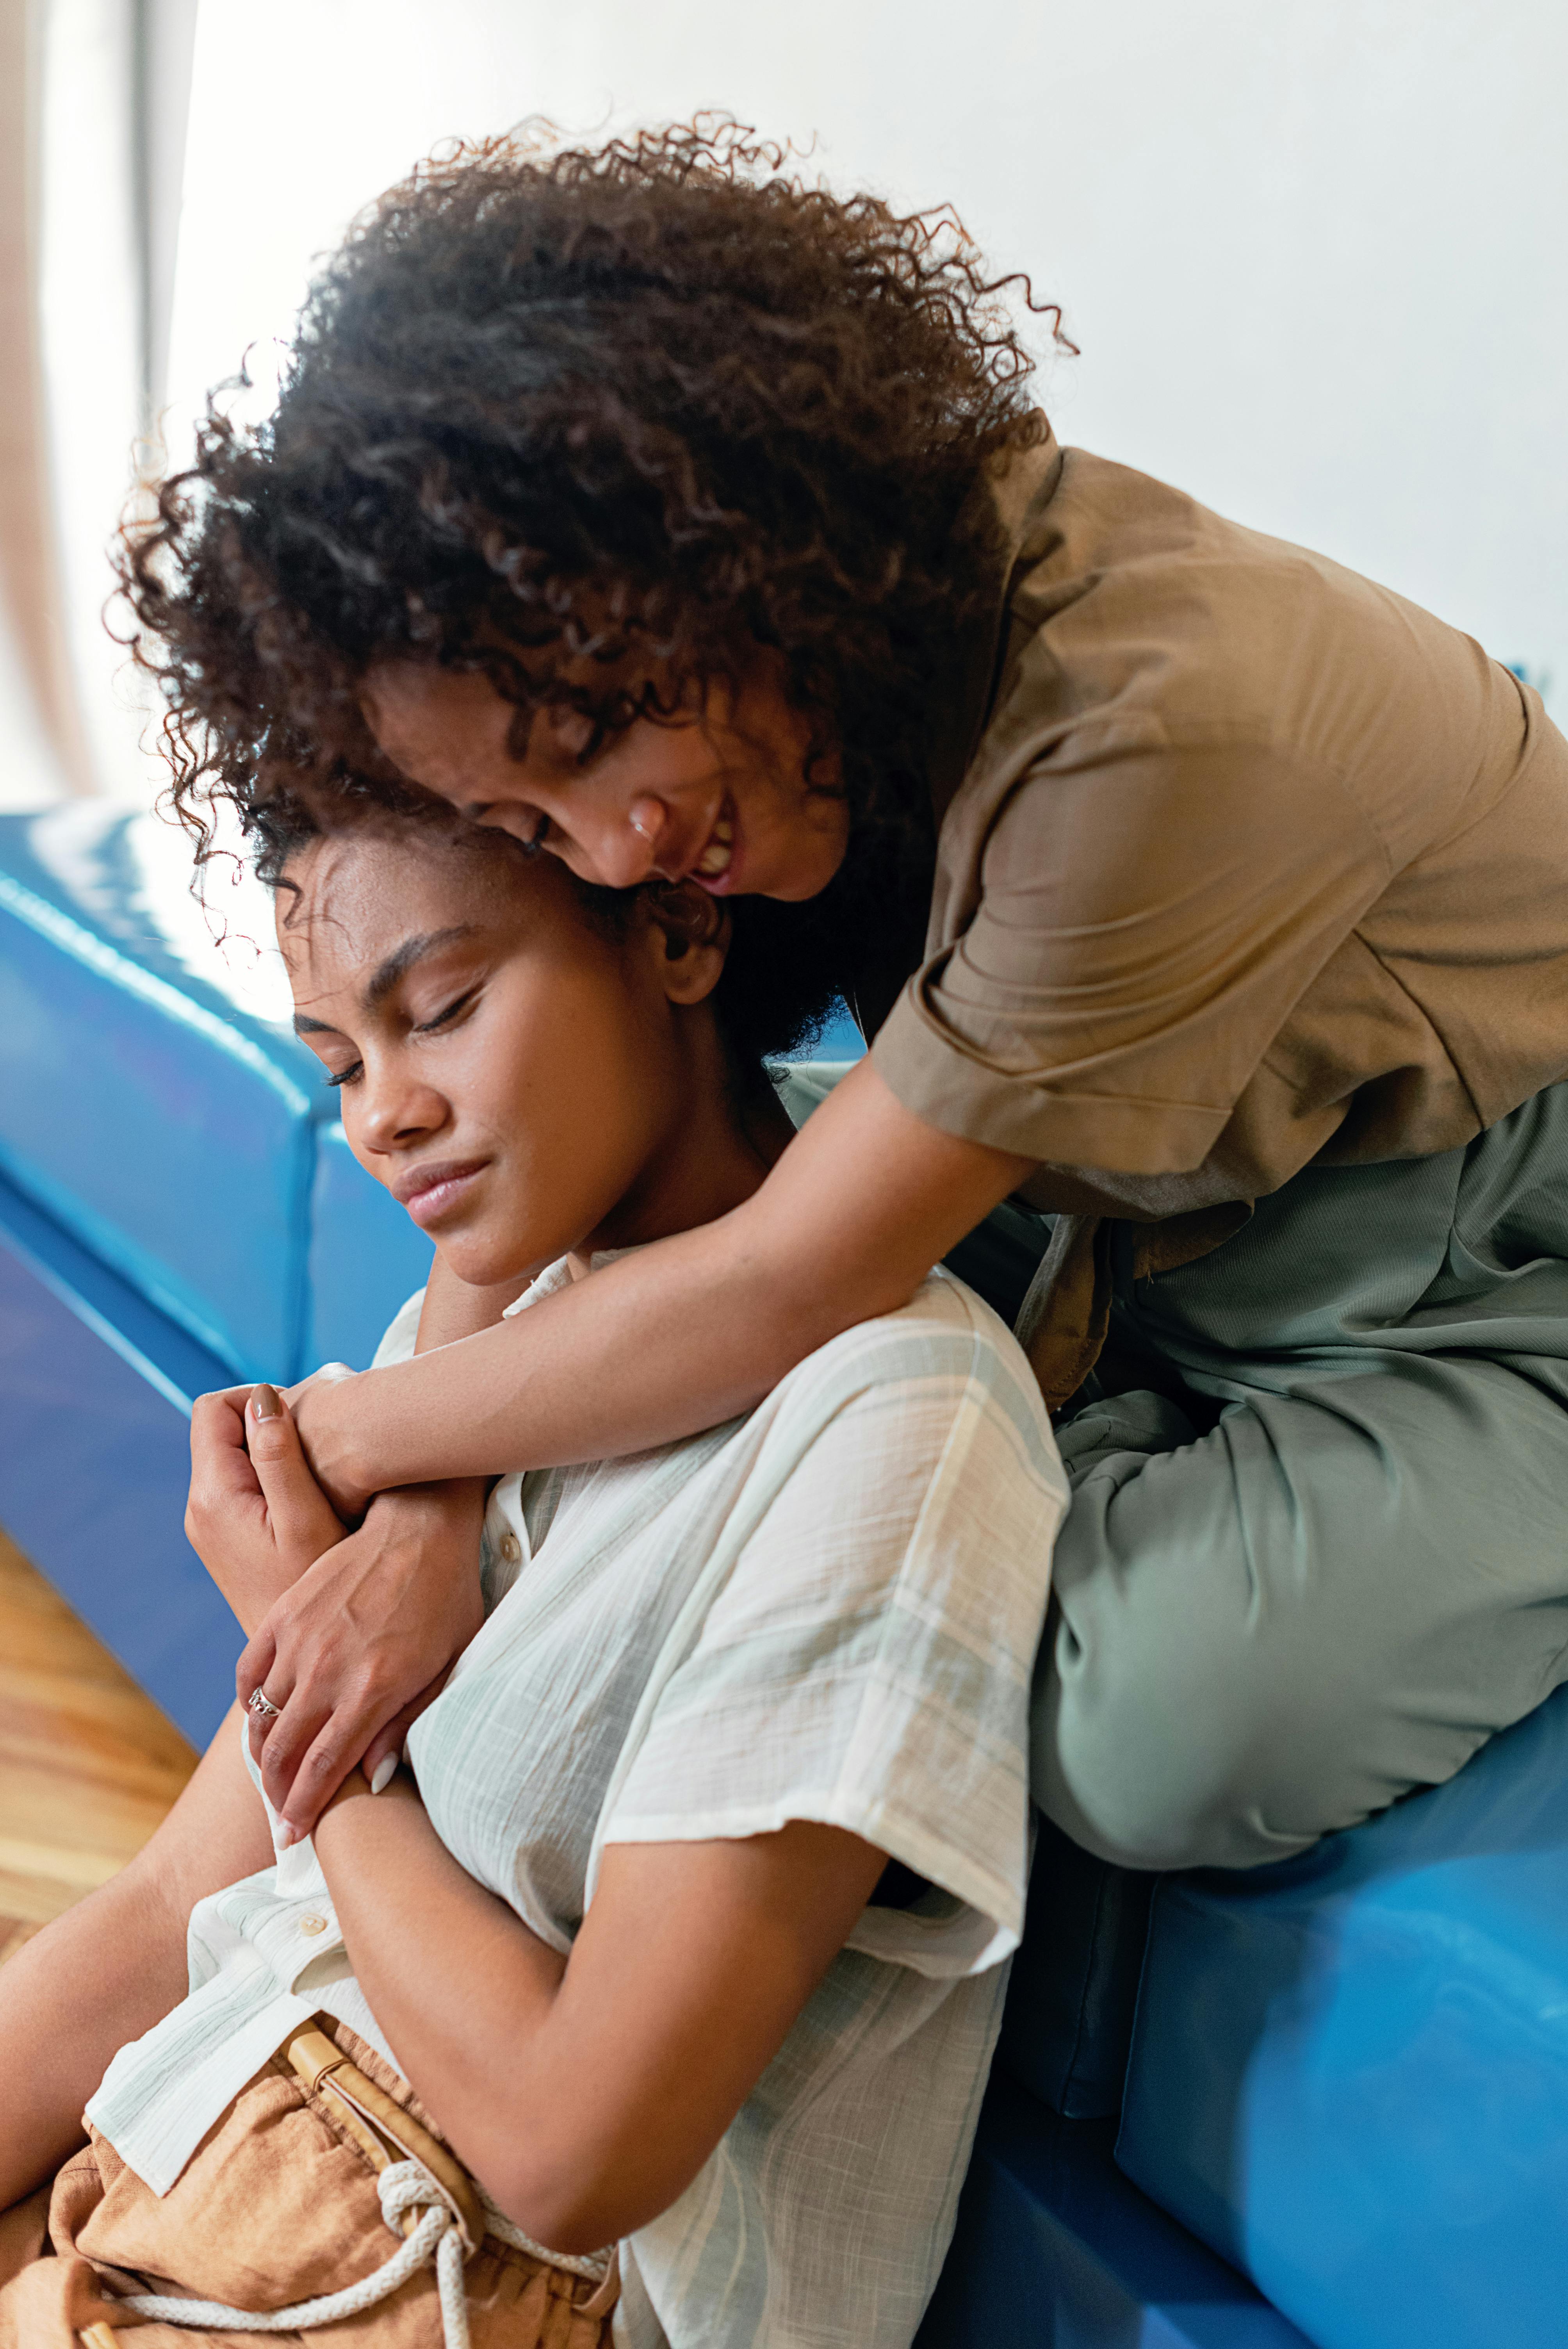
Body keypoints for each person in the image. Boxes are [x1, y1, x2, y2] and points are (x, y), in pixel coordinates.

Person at [125, 123, 1568, 1872]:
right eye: (523, 820)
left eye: (594, 742)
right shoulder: (791, 715)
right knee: (622, 1241)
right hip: (1110, 1214)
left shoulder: (1145, 729)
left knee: (1133, 1728)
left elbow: (788, 1279)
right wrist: (431, 1503)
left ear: (715, 538)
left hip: (1478, 1266)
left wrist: (339, 1440)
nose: (616, 842)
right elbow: (569, 1197)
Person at [0, 807, 1064, 2349]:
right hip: (171, 2182)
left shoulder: (895, 1415)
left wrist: (341, 1746)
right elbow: (177, 1895)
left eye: (438, 1011)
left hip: (427, 2282)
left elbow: (575, 2154)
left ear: (680, 935)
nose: (384, 1116)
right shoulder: (484, 1354)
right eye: (339, 1065)